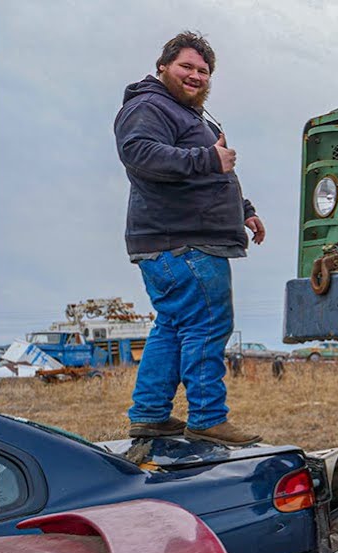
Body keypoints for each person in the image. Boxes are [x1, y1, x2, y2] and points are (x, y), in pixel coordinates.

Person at [115, 31, 264, 446]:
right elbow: (139, 154)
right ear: (163, 66)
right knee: (208, 324)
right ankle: (207, 418)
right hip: (184, 242)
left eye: (203, 70)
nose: (196, 75)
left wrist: (245, 210)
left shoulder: (188, 115)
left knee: (172, 326)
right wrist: (208, 157)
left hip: (175, 240)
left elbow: (214, 175)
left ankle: (149, 414)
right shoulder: (149, 106)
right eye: (187, 66)